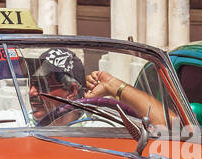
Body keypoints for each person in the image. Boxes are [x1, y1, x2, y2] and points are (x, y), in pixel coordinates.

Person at [28, 48, 167, 128]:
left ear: (71, 91)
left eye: (41, 86)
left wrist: (113, 85)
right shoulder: (17, 122)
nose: (31, 92)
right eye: (31, 83)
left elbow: (167, 126)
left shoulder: (102, 125)